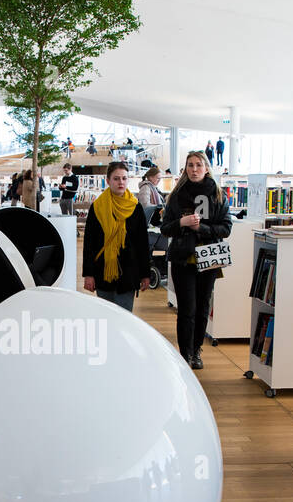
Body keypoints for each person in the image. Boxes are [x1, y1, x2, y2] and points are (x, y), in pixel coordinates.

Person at [160, 150, 231, 370]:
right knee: (186, 309)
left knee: (202, 308)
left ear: (207, 167)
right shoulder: (176, 195)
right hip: (183, 259)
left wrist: (202, 227)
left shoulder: (218, 195)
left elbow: (226, 228)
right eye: (190, 165)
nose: (194, 169)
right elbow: (165, 229)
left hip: (209, 258)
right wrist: (182, 223)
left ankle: (197, 350)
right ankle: (185, 353)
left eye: (198, 165)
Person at [83, 162, 150, 312]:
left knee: (125, 317)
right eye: (116, 178)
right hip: (103, 271)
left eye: (124, 178)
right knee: (106, 317)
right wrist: (88, 274)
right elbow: (90, 242)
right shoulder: (98, 207)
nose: (121, 182)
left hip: (129, 271)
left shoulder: (135, 207)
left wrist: (145, 274)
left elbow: (142, 243)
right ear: (107, 181)